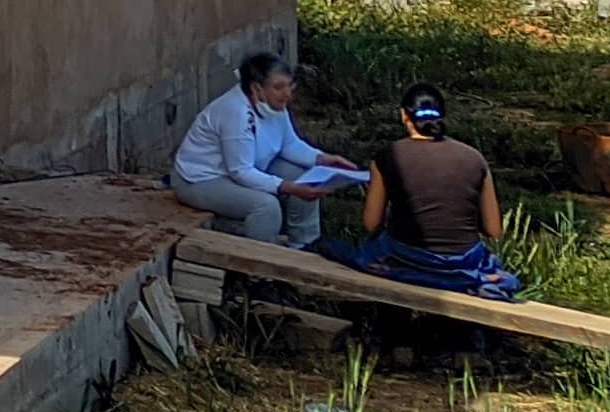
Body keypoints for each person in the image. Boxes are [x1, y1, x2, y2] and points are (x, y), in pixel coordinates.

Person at [169, 52, 365, 245]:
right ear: (256, 89)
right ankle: (258, 270)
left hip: (244, 169)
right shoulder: (236, 112)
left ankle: (304, 246)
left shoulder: (273, 104)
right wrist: (288, 188)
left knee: (305, 177)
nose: (287, 94)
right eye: (279, 87)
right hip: (201, 179)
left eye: (290, 86)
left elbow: (289, 144)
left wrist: (323, 159)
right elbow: (241, 171)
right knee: (266, 207)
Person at [355, 83, 525, 300]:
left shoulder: (388, 156)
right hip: (463, 261)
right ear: (443, 117)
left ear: (404, 116)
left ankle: (391, 325)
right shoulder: (475, 158)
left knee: (371, 253)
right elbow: (493, 229)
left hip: (407, 256)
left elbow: (371, 223)